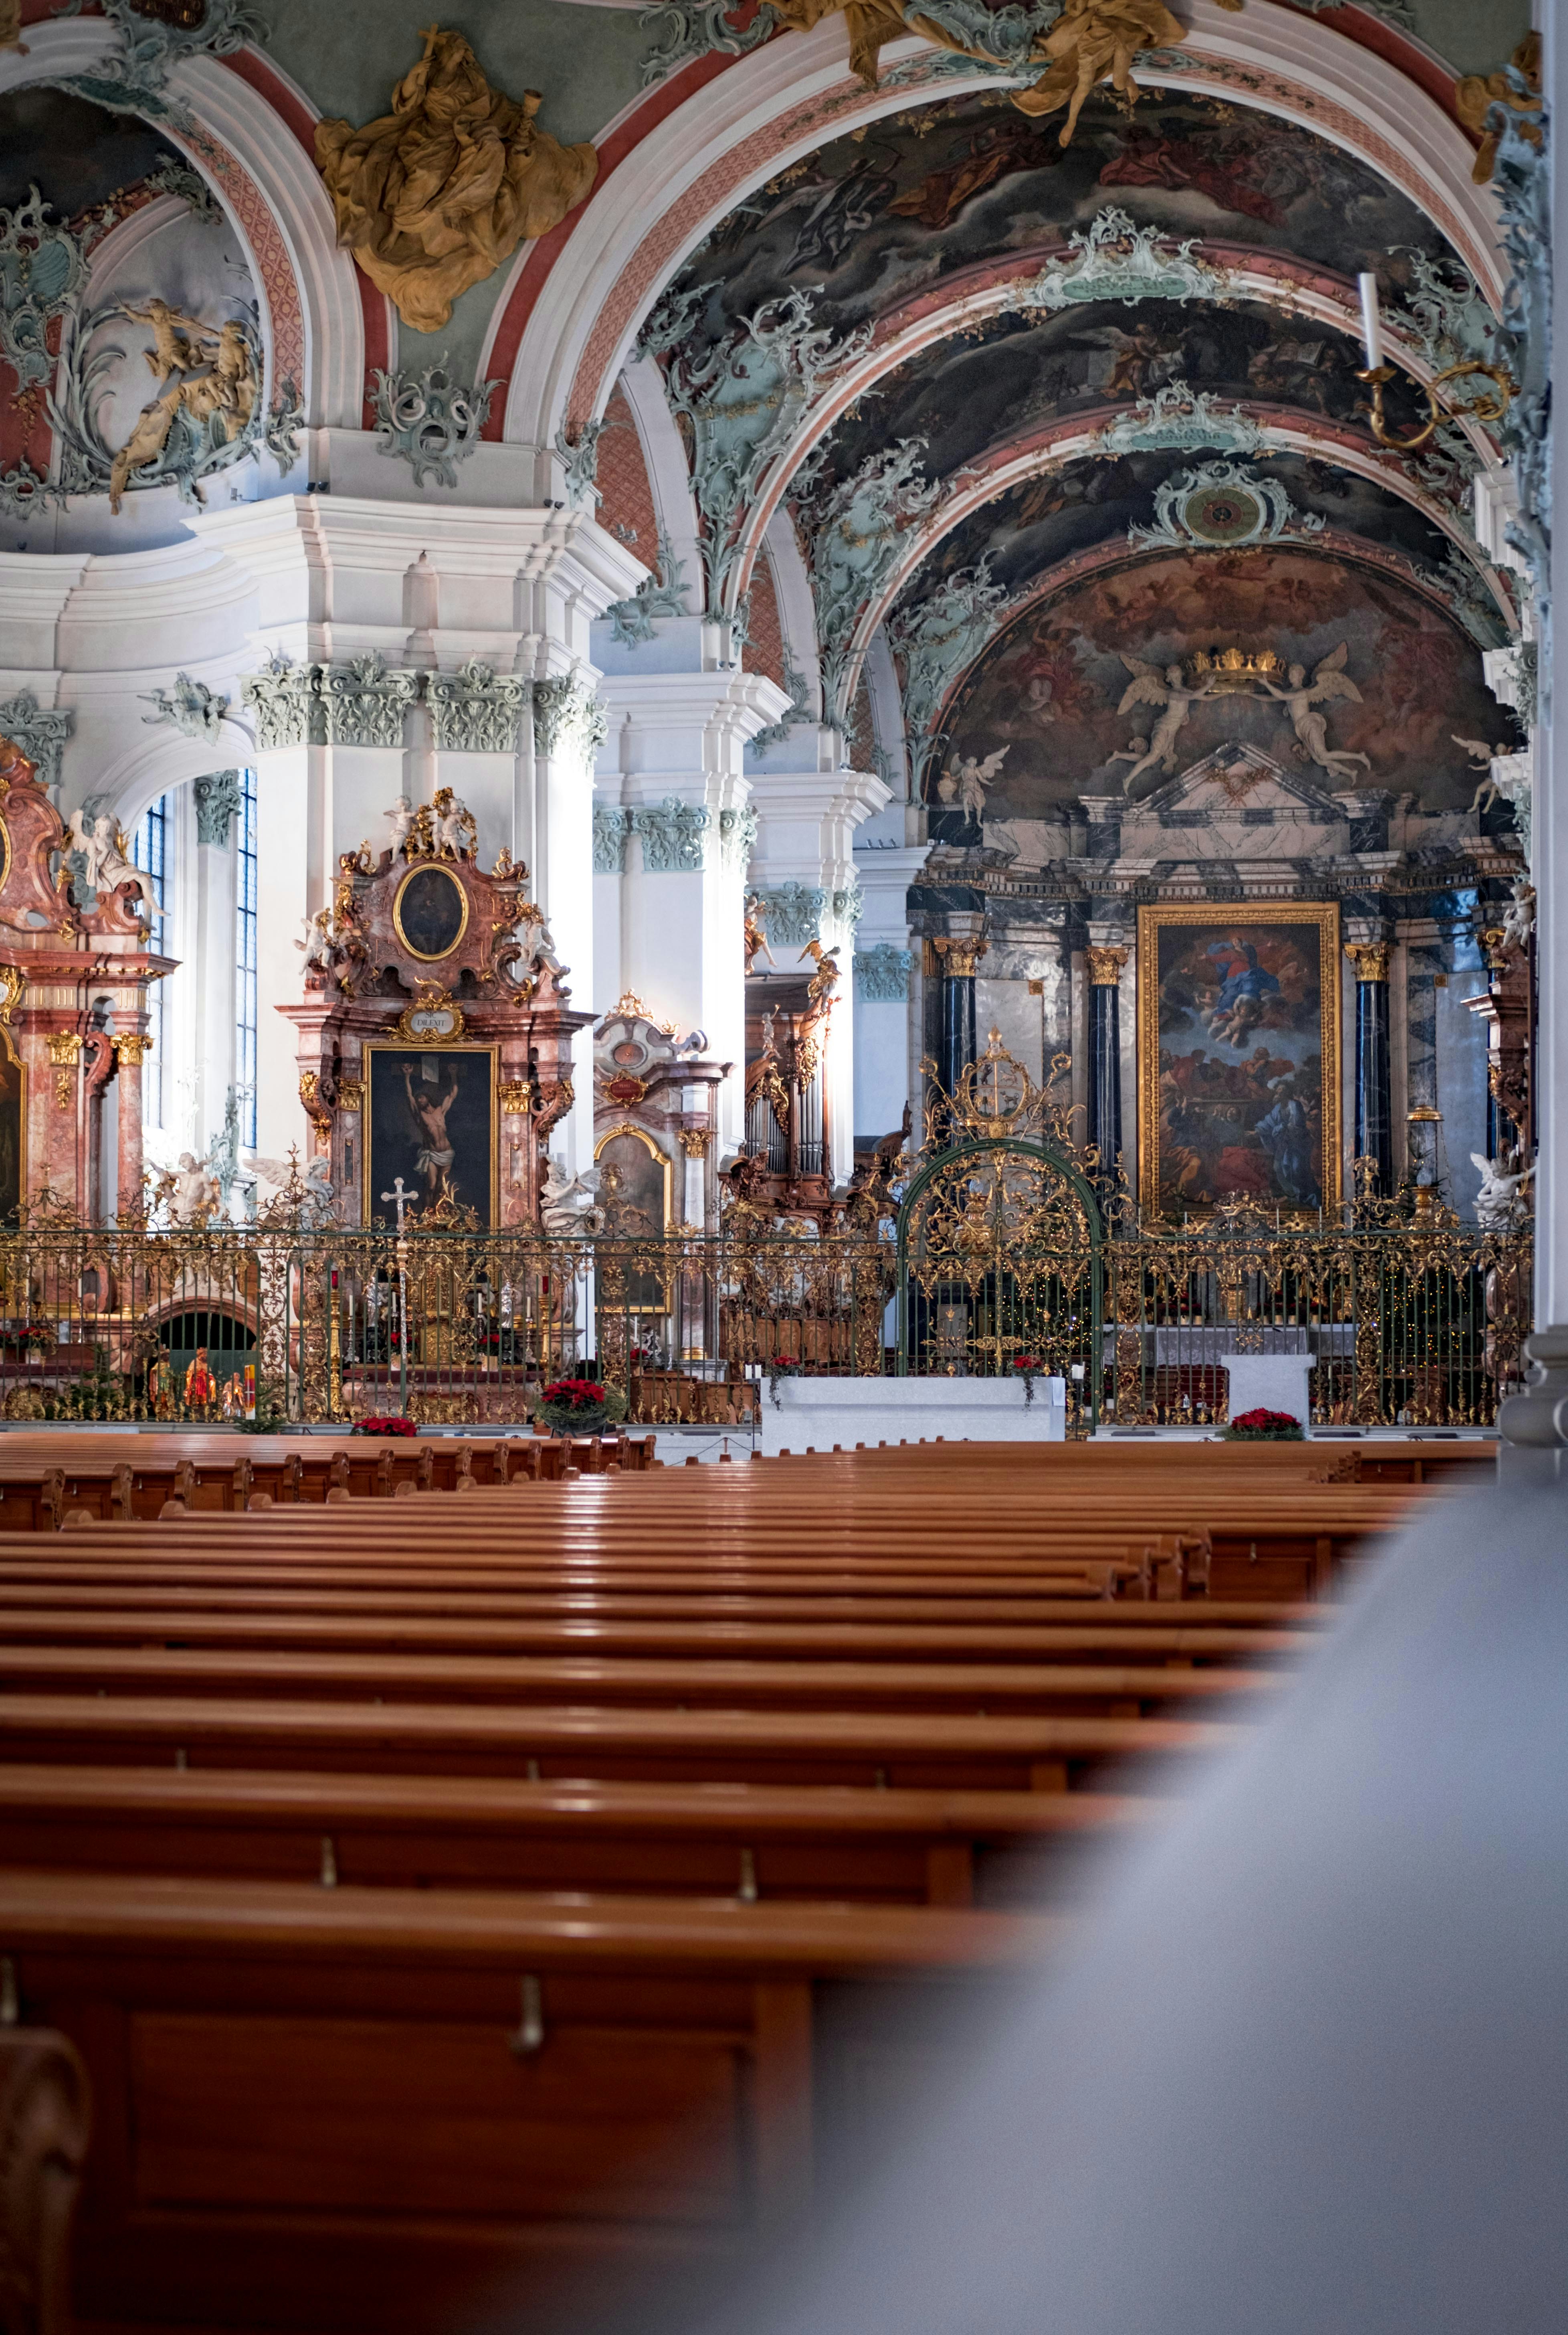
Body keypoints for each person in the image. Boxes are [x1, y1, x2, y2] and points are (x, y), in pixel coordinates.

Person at [401, 1060, 460, 1201]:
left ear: (427, 1097)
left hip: (447, 1154)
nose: (419, 1100)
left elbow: (453, 1094)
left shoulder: (441, 1111)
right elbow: (410, 1096)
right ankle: (427, 1214)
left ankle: (437, 1215)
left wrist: (453, 1075)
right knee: (432, 1185)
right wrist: (407, 1076)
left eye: (421, 1097)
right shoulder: (420, 1116)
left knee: (442, 1186)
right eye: (418, 1099)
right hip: (433, 1155)